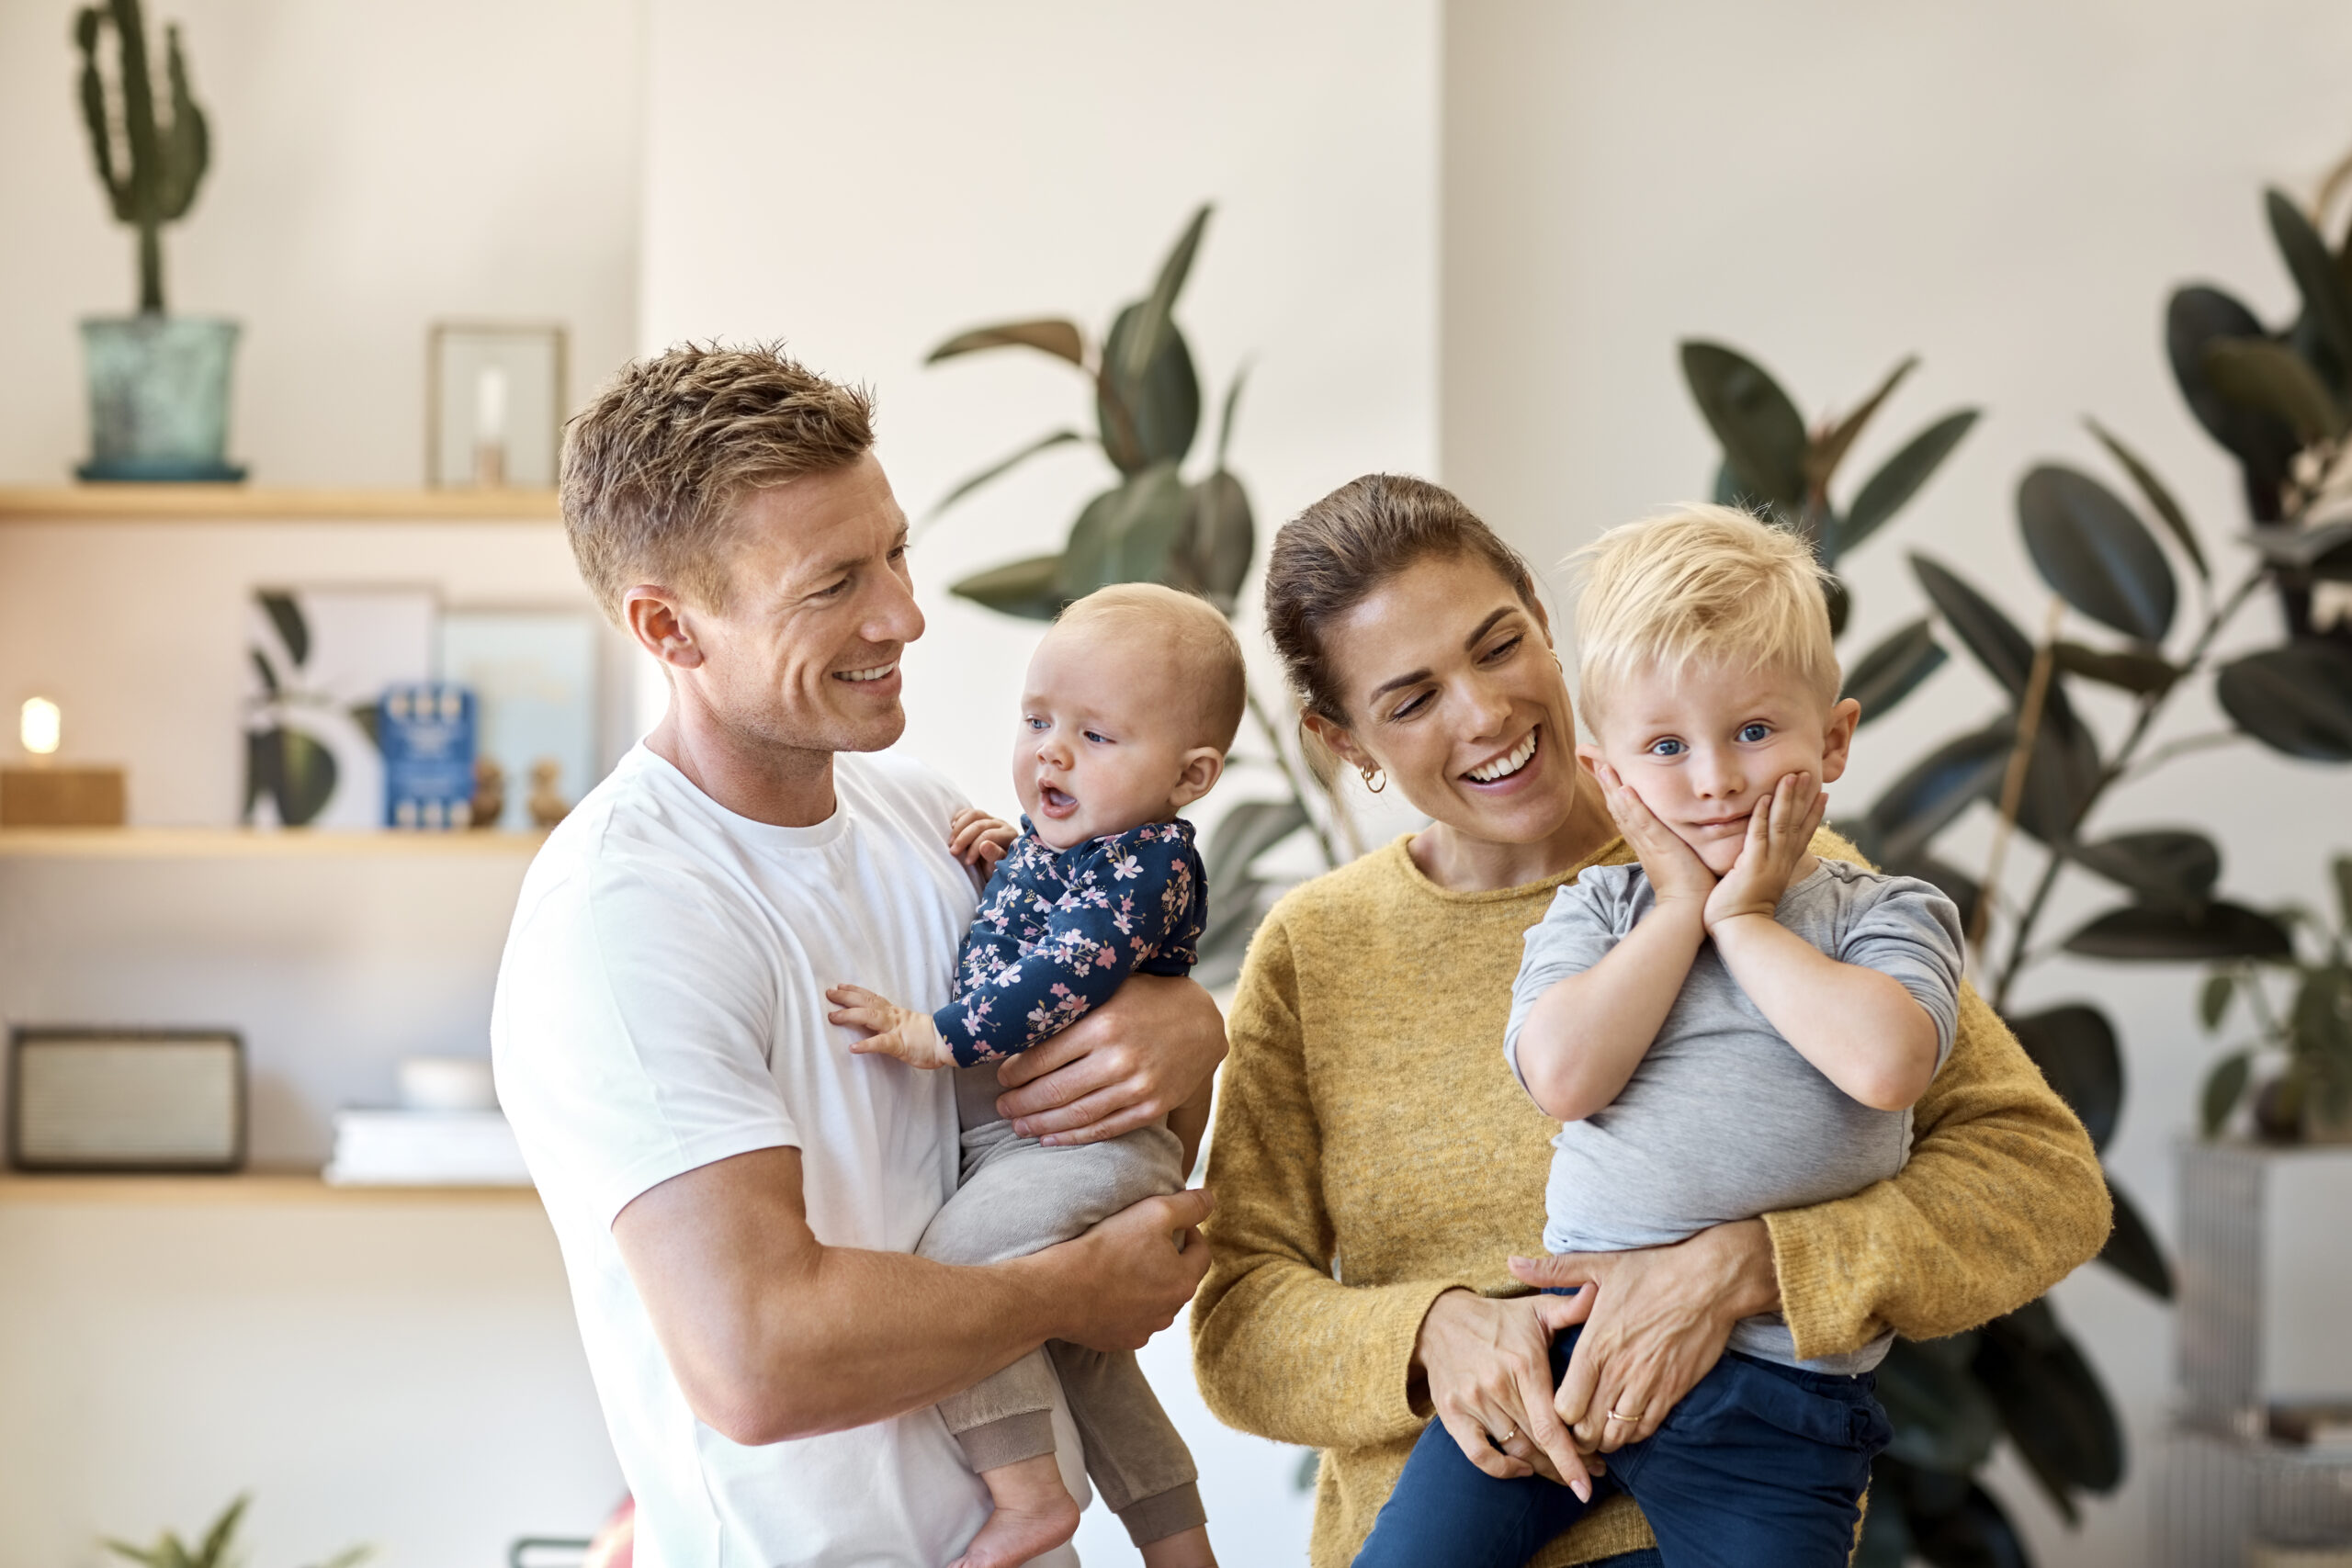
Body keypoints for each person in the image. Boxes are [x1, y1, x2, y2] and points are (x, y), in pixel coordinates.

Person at [1189, 473, 2114, 1568]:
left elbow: (2041, 1183)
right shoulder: (1314, 952)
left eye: (1497, 646)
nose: (1484, 714)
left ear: (1542, 620)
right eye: (1411, 699)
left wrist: (1749, 1268)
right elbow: (1238, 1318)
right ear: (1345, 743)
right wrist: (1430, 1333)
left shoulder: (1784, 883)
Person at [491, 344, 1225, 1568]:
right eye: (834, 583)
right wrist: (1069, 1292)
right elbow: (758, 1359)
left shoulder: (928, 817)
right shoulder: (624, 915)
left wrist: (1185, 1031)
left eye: (894, 553)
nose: (904, 615)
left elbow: (1102, 1167)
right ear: (670, 627)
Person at [1354, 506, 1963, 1566]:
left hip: (1777, 1402)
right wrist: (1680, 910)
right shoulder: (1597, 913)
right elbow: (1562, 1077)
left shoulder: (1884, 914)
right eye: (1668, 748)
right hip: (1561, 1347)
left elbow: (1887, 1066)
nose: (1715, 779)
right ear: (1613, 776)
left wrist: (1746, 921)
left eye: (1754, 732)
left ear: (1832, 741)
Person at [830, 583, 1248, 1568]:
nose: (1051, 752)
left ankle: (1028, 1498)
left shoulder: (1148, 866)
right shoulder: (1076, 847)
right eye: (1036, 720)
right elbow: (1043, 916)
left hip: (1079, 1151)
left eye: (1095, 735)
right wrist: (1007, 861)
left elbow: (1065, 973)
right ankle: (1180, 1548)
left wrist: (933, 1035)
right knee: (1092, 1368)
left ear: (1190, 775)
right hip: (1041, 1149)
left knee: (952, 1282)